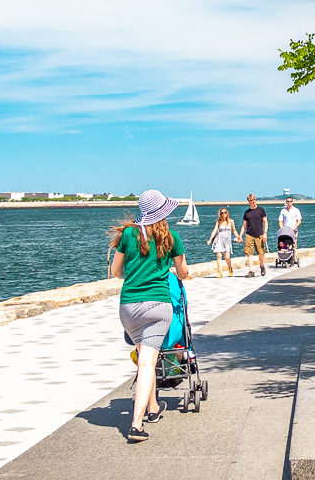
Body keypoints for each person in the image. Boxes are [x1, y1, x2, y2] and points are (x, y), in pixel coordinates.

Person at [108, 189, 189, 443]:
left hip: (129, 307)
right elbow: (183, 272)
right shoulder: (171, 237)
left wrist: (134, 274)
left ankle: (153, 408)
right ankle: (136, 425)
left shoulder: (127, 235)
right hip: (158, 308)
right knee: (147, 363)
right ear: (163, 212)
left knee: (145, 358)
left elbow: (116, 271)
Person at [241, 193, 268, 277]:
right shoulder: (246, 212)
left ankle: (262, 266)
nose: (253, 201)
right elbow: (244, 225)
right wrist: (240, 235)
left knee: (261, 253)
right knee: (249, 253)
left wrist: (265, 233)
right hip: (249, 234)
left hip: (259, 234)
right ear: (248, 201)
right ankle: (251, 271)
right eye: (251, 200)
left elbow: (265, 222)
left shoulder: (261, 210)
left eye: (254, 199)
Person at [206, 208, 236, 277]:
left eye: (225, 212)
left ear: (227, 213)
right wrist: (210, 240)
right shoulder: (218, 221)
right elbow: (214, 231)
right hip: (219, 240)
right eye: (222, 213)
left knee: (227, 257)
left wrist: (238, 237)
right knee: (219, 256)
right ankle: (220, 272)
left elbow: (234, 231)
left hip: (227, 241)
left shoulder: (231, 221)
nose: (223, 214)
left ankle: (230, 268)